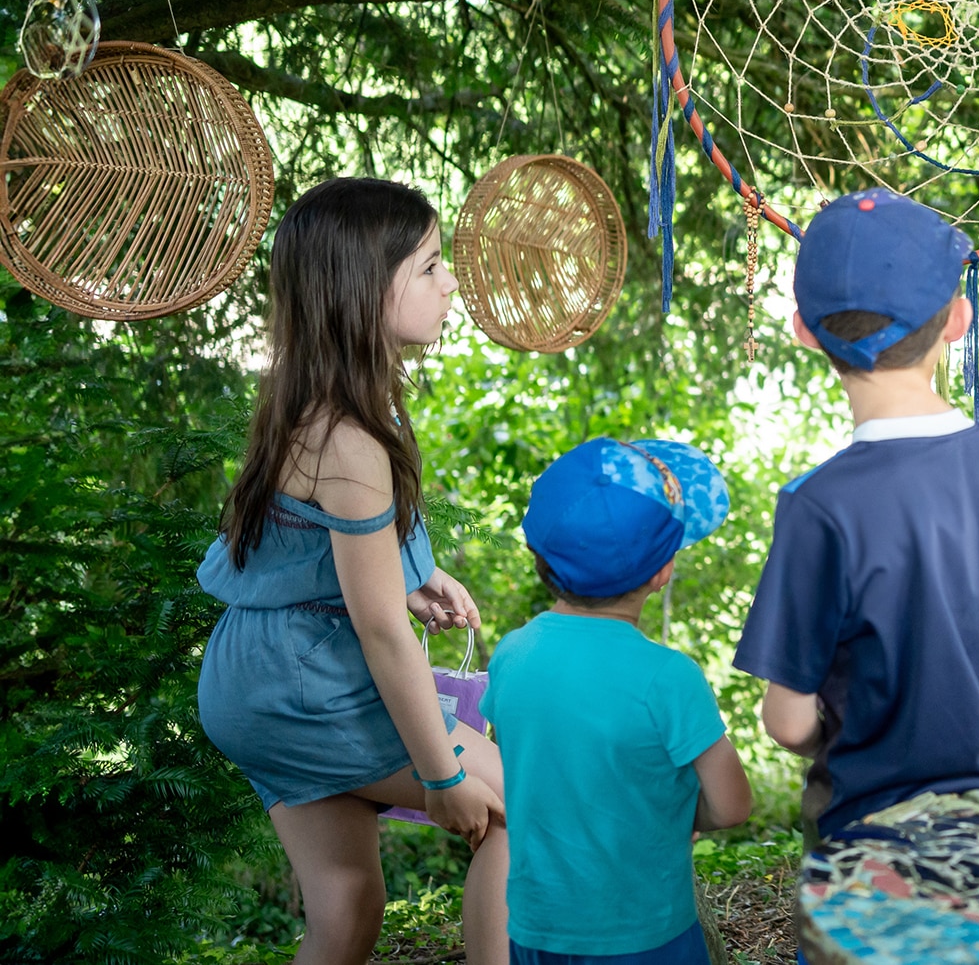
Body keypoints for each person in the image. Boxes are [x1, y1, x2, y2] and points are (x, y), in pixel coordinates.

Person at [197, 177, 507, 965]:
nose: (451, 284)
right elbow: (380, 630)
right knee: (526, 803)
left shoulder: (329, 398)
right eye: (432, 267)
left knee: (345, 900)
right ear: (368, 290)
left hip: (254, 675)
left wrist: (412, 572)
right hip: (306, 685)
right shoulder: (351, 437)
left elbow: (316, 550)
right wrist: (442, 772)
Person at [734, 188, 979, 846]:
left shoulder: (816, 504)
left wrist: (865, 731)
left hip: (869, 850)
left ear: (803, 330)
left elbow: (788, 722)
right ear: (958, 319)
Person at [483, 436, 753, 965]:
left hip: (537, 930)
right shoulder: (668, 678)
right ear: (662, 570)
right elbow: (732, 804)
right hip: (647, 935)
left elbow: (530, 763)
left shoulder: (512, 655)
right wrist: (668, 810)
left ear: (540, 556)